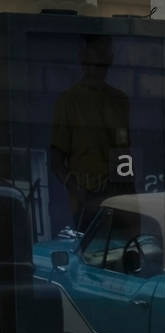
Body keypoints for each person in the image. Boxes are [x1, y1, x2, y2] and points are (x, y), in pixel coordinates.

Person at [50, 35, 131, 232]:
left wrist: (127, 195)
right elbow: (56, 159)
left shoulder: (119, 100)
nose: (96, 68)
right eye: (91, 62)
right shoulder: (68, 101)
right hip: (83, 199)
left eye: (102, 62)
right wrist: (76, 189)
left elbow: (124, 153)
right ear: (83, 61)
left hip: (116, 198)